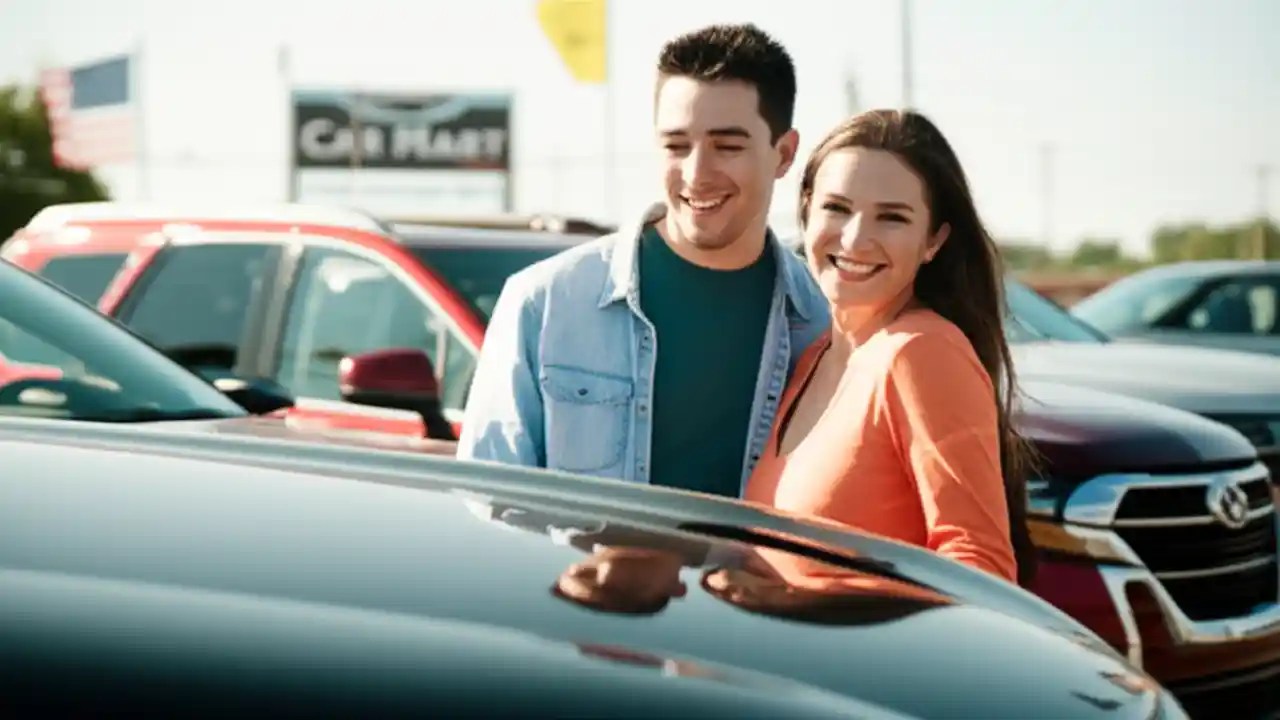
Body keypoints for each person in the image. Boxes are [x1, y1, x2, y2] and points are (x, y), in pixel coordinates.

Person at [457, 23, 828, 498]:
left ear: (785, 154)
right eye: (676, 145)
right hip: (569, 573)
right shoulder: (544, 303)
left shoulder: (823, 325)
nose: (697, 173)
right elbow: (490, 506)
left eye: (727, 147)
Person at [742, 109, 1035, 586]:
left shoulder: (922, 352)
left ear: (934, 240)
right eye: (836, 208)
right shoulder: (815, 355)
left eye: (892, 217)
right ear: (806, 210)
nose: (855, 238)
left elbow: (979, 565)